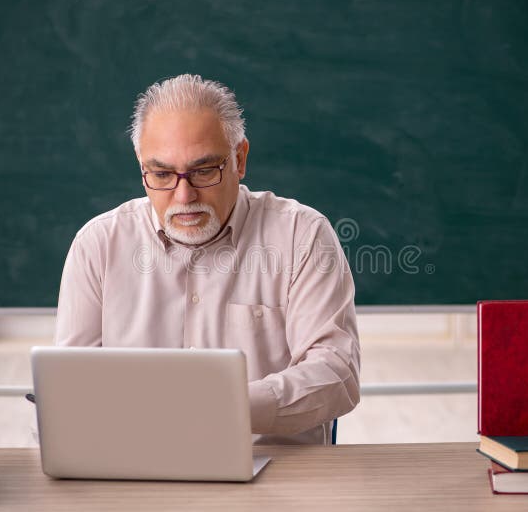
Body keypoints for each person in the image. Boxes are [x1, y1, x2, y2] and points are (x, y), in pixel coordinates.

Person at [55, 74, 360, 444]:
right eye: (162, 174)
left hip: (278, 478)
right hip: (137, 470)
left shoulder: (303, 235)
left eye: (203, 171)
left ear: (240, 158)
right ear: (141, 167)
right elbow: (70, 390)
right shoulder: (97, 245)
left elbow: (337, 374)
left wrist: (221, 408)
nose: (183, 196)